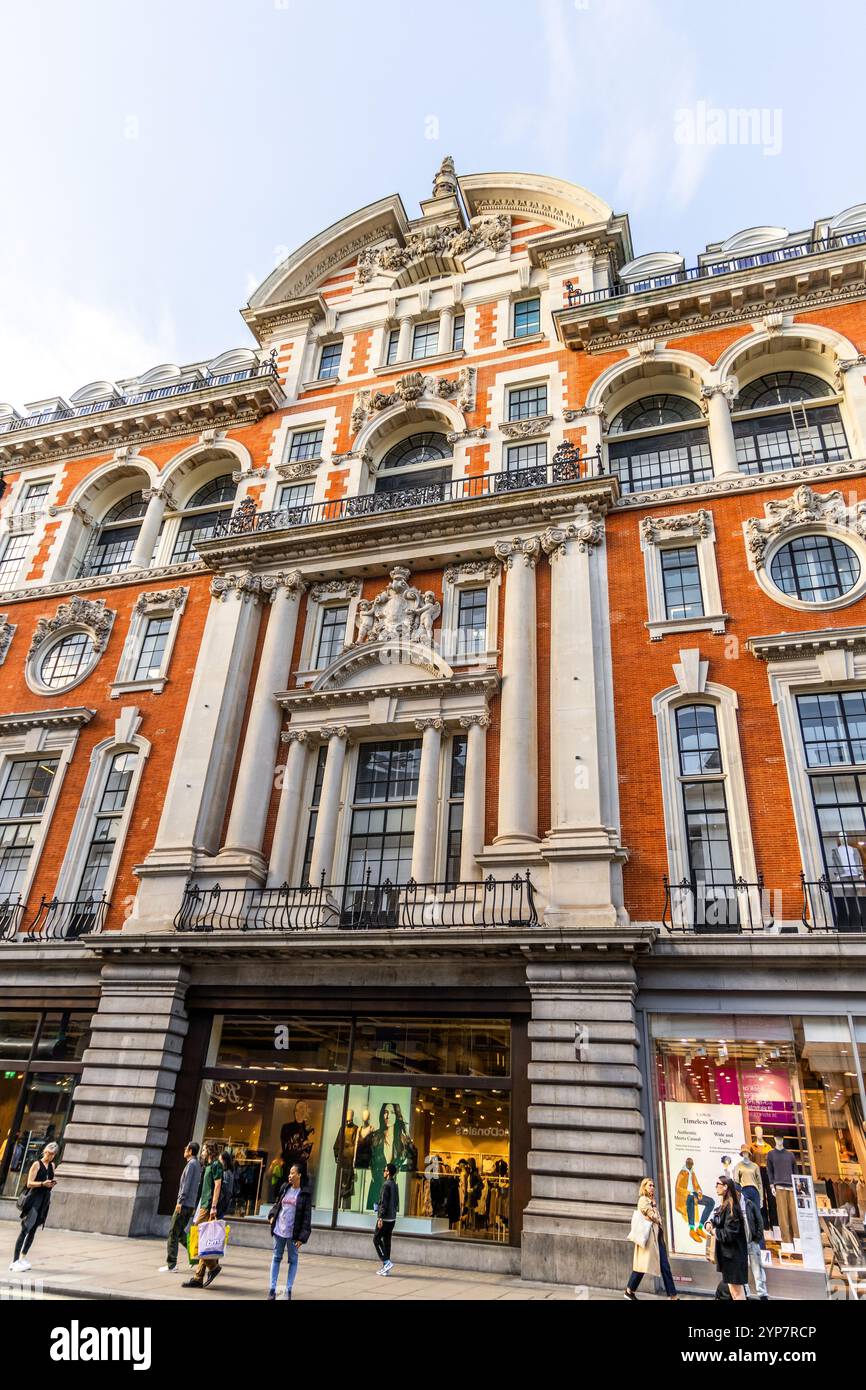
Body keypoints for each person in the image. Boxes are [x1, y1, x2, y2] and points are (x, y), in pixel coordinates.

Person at [182, 1141, 227, 1290]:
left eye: (204, 1150)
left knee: (197, 1237)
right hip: (204, 1205)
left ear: (209, 1151)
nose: (201, 1152)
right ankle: (198, 1277)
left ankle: (213, 1267)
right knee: (203, 1239)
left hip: (208, 1207)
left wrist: (213, 1206)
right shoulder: (208, 1166)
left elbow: (218, 1185)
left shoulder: (216, 1165)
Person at [624, 1176, 678, 1300]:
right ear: (644, 1187)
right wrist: (654, 1209)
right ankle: (629, 1291)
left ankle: (673, 1296)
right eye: (650, 1185)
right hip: (649, 1239)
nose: (652, 1187)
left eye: (653, 1185)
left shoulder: (651, 1200)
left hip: (657, 1238)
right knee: (641, 1266)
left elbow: (656, 1217)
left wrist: (654, 1210)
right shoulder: (643, 1200)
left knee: (665, 1266)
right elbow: (653, 1216)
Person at [9, 1141, 58, 1272]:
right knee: (25, 1229)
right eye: (49, 1153)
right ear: (45, 1151)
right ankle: (14, 1262)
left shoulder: (52, 1166)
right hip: (34, 1200)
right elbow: (29, 1183)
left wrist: (51, 1184)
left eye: (53, 1154)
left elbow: (49, 1181)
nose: (50, 1156)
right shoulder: (36, 1164)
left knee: (33, 1231)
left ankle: (23, 1257)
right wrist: (43, 1184)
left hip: (44, 1201)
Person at [267, 1162, 311, 1299]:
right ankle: (272, 1289)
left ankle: (288, 1290)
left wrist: (302, 1238)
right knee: (276, 1257)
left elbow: (306, 1217)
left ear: (299, 1175)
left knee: (293, 1260)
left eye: (293, 1173)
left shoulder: (304, 1194)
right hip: (279, 1229)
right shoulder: (285, 1188)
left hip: (293, 1234)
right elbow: (277, 1204)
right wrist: (272, 1215)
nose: (290, 1175)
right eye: (290, 1173)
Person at [159, 1141, 202, 1273]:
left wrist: (180, 1202)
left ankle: (171, 1264)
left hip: (184, 1204)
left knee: (173, 1232)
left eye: (186, 1148)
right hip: (189, 1205)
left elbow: (186, 1186)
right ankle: (196, 1257)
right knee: (180, 1232)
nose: (184, 1149)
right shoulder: (197, 1164)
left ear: (190, 1151)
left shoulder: (191, 1165)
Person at [709, 1176, 749, 1300]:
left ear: (725, 1187)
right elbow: (718, 1220)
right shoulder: (725, 1206)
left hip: (734, 1257)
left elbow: (729, 1233)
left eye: (718, 1183)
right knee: (734, 1291)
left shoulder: (732, 1207)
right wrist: (709, 1223)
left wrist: (714, 1231)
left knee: (737, 1293)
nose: (716, 1186)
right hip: (729, 1257)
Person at [675, 1156, 714, 1242]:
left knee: (711, 1202)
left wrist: (699, 1192)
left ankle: (700, 1228)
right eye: (688, 1163)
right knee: (691, 1199)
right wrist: (688, 1193)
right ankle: (692, 1230)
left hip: (694, 1194)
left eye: (691, 1164)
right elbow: (678, 1188)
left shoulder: (692, 1173)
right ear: (686, 1163)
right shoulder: (682, 1174)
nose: (690, 1165)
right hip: (685, 1196)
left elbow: (696, 1185)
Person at [374, 1161, 399, 1275]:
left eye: (385, 1170)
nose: (383, 1172)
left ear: (388, 1172)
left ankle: (386, 1261)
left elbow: (383, 1202)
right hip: (392, 1218)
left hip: (385, 1218)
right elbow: (396, 1202)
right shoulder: (394, 1184)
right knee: (387, 1241)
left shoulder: (386, 1185)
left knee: (376, 1239)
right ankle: (386, 1268)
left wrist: (380, 1218)